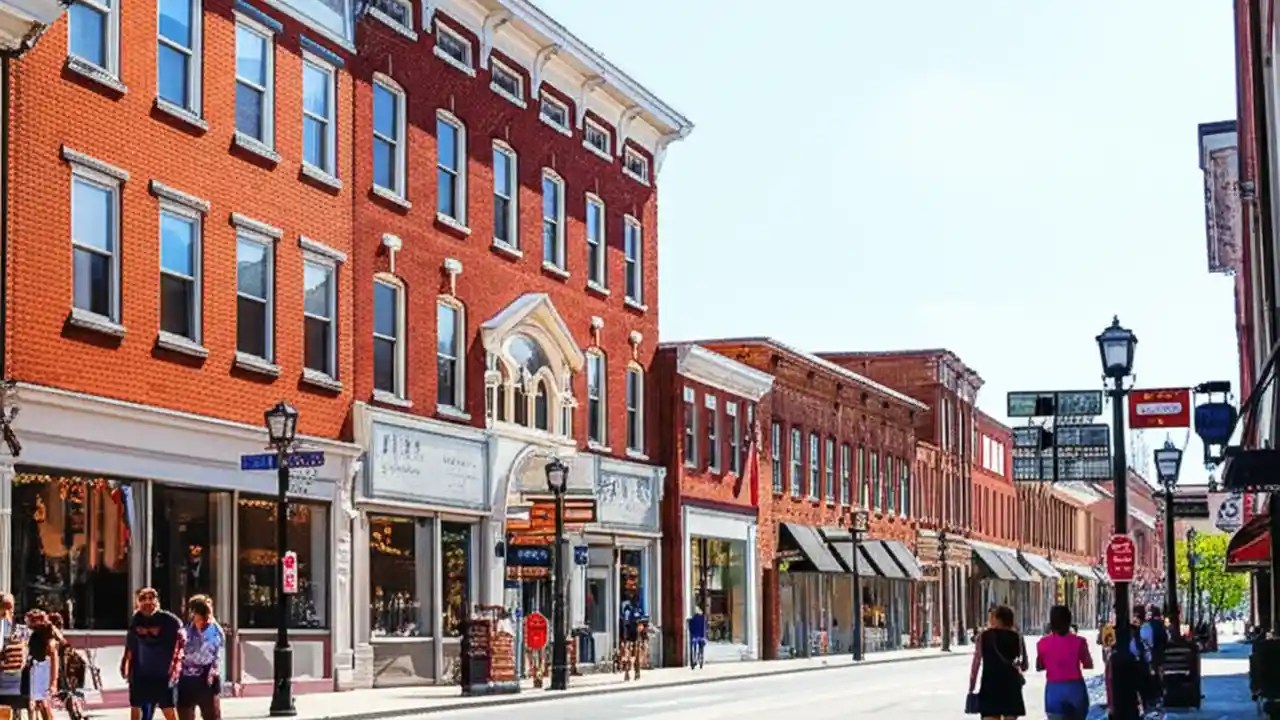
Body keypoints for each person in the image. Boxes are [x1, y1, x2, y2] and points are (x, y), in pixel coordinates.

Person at [121, 588, 185, 720]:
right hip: (140, 675)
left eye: (151, 598)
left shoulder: (169, 621)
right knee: (135, 708)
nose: (147, 602)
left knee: (168, 710)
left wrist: (177, 666)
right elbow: (130, 646)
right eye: (143, 599)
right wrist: (124, 664)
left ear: (157, 601)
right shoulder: (136, 620)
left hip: (162, 675)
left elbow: (181, 642)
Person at [968, 605, 1027, 720]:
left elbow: (976, 664)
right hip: (1011, 687)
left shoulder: (984, 636)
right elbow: (1024, 665)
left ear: (998, 619)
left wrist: (972, 686)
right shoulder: (1017, 637)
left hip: (990, 687)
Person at [1037, 605, 1093, 720]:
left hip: (1053, 691)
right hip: (1075, 689)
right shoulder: (1080, 642)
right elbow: (1088, 664)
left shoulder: (1042, 643)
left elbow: (1040, 666)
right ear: (1069, 621)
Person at [176, 596, 223, 720]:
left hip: (207, 678)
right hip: (186, 679)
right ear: (193, 614)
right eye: (200, 614)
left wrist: (214, 671)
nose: (205, 618)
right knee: (185, 713)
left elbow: (217, 656)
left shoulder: (216, 631)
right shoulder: (184, 631)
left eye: (207, 613)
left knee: (212, 715)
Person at [0, 594, 30, 717]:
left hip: (13, 685)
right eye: (4, 608)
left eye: (10, 608)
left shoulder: (20, 632)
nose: (8, 613)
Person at [25, 610, 56, 720]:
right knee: (38, 703)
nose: (27, 624)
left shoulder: (44, 637)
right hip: (37, 669)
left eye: (28, 621)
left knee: (42, 703)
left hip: (41, 671)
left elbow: (53, 658)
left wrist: (53, 682)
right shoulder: (36, 635)